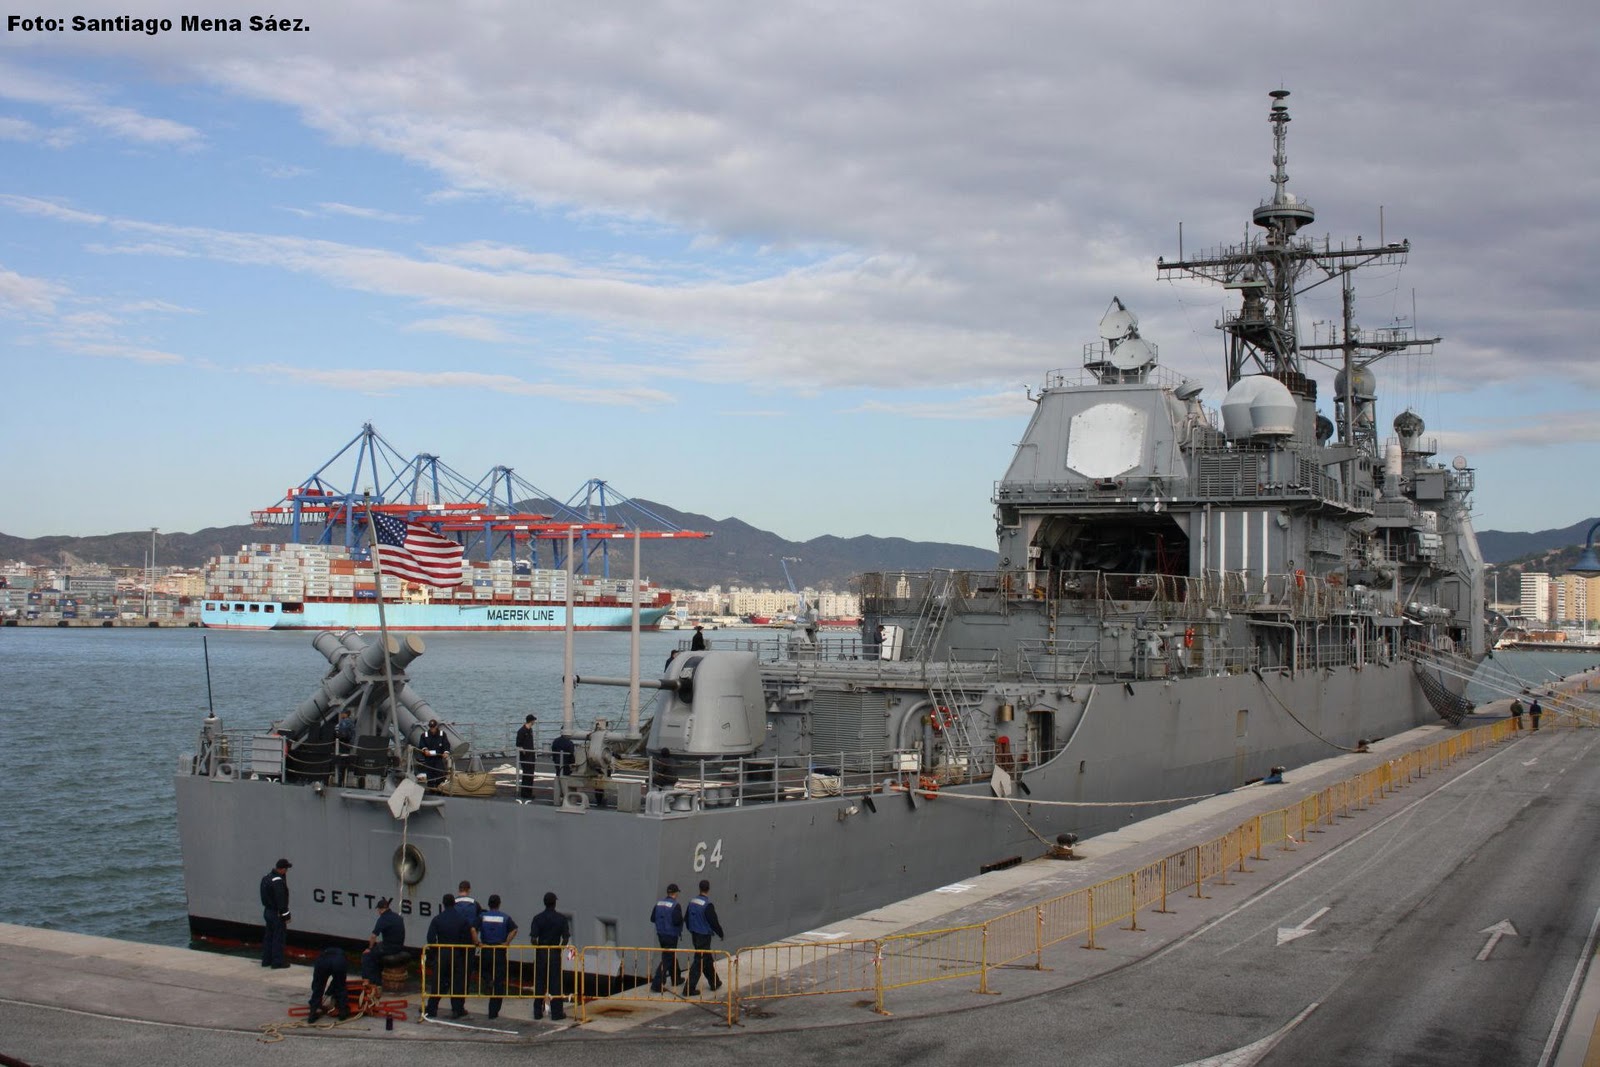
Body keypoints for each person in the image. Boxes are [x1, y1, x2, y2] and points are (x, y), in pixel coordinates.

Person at [423, 892, 476, 1020]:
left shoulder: (437, 919)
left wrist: (436, 951)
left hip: (442, 953)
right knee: (457, 982)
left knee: (438, 982)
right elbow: (467, 939)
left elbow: (430, 938)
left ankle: (432, 1008)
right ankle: (457, 1009)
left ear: (443, 904)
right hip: (457, 953)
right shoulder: (462, 920)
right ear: (454, 903)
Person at [528, 891, 571, 1021]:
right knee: (555, 983)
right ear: (555, 903)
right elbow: (565, 938)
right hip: (554, 953)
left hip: (541, 952)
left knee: (540, 982)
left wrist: (539, 947)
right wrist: (559, 948)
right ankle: (557, 1013)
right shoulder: (561, 919)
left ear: (544, 903)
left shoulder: (537, 918)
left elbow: (534, 938)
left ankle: (537, 1012)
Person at [477, 894, 518, 1019]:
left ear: (489, 904)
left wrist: (478, 942)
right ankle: (493, 1011)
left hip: (486, 949)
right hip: (499, 950)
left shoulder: (482, 916)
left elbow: (473, 928)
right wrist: (507, 942)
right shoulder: (505, 917)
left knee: (485, 971)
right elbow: (514, 929)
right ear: (499, 904)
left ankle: (488, 981)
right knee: (499, 980)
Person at [684, 879, 726, 996]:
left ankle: (715, 982)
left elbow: (686, 918)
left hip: (695, 935)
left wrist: (691, 929)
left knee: (706, 959)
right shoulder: (707, 905)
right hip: (704, 936)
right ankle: (688, 988)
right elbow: (714, 922)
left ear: (700, 888)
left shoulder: (692, 902)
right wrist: (720, 933)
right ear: (708, 889)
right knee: (700, 961)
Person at [360, 897, 406, 987]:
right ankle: (377, 980)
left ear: (380, 909)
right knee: (377, 951)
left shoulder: (383, 919)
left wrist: (369, 948)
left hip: (389, 948)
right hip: (399, 947)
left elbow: (373, 936)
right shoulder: (398, 917)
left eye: (378, 909)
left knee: (367, 955)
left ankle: (366, 980)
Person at [648, 883, 684, 993]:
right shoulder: (675, 905)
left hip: (661, 935)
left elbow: (652, 918)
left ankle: (676, 979)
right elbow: (677, 920)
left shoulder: (658, 904)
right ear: (676, 893)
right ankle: (657, 984)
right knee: (667, 958)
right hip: (671, 935)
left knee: (670, 955)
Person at [259, 858, 291, 969]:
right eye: (286, 869)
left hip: (267, 911)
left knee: (268, 936)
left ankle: (266, 960)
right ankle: (277, 962)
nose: (286, 871)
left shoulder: (266, 878)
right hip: (276, 913)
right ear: (282, 869)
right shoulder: (278, 881)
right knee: (278, 937)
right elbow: (281, 900)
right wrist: (286, 915)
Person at [307, 945, 350, 1022]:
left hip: (323, 961)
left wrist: (318, 998)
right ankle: (342, 1012)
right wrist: (329, 992)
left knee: (318, 986)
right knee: (341, 986)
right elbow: (336, 982)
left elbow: (316, 982)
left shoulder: (322, 955)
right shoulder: (343, 957)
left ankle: (312, 1013)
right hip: (339, 961)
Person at [418, 719, 450, 790]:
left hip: (438, 758)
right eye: (431, 727)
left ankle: (440, 787)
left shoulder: (442, 734)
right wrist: (425, 750)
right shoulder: (424, 735)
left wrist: (446, 752)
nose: (432, 729)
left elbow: (446, 744)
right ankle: (431, 788)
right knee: (430, 773)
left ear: (436, 726)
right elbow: (421, 744)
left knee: (439, 772)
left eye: (433, 727)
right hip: (429, 758)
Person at [515, 714, 538, 800]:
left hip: (531, 755)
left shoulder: (530, 730)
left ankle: (529, 792)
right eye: (533, 720)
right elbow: (518, 744)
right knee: (526, 774)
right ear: (531, 721)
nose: (534, 722)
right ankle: (524, 793)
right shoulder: (521, 731)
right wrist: (523, 750)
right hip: (525, 756)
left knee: (530, 774)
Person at [333, 708, 356, 784]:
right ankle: (342, 778)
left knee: (342, 761)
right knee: (343, 761)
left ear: (346, 714)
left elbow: (346, 733)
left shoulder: (345, 722)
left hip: (344, 743)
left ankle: (340, 780)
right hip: (345, 743)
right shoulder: (348, 722)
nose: (341, 714)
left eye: (342, 713)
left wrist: (337, 736)